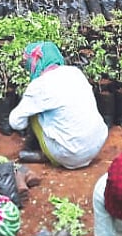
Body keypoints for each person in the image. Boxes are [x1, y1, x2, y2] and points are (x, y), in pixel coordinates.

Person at [7, 41, 107, 169]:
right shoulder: (75, 72)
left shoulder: (39, 86)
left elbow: (15, 122)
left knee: (34, 114)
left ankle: (44, 153)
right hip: (96, 146)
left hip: (71, 155)